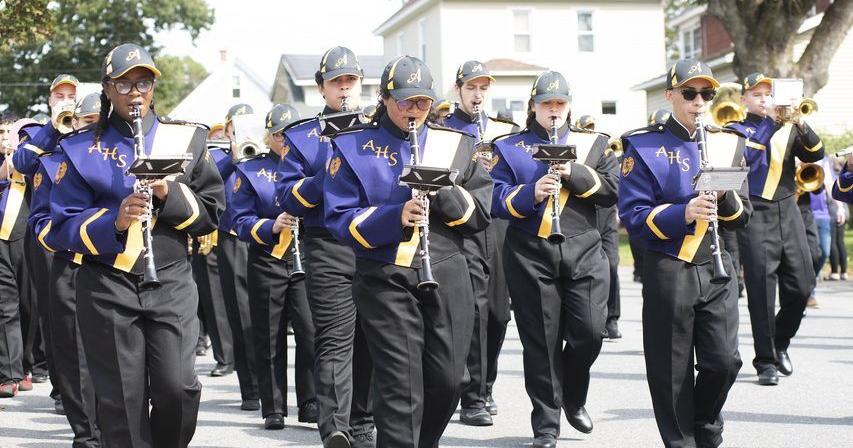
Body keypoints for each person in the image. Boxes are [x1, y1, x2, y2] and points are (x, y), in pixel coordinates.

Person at [47, 43, 224, 447]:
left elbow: (213, 212)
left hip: (172, 278)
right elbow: (55, 225)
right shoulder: (78, 148)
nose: (134, 93)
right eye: (123, 85)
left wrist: (168, 193)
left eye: (142, 83)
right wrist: (116, 219)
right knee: (121, 404)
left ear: (154, 88)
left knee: (178, 388)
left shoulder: (188, 138)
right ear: (107, 90)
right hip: (106, 283)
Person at [325, 55, 492, 448]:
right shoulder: (351, 147)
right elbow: (339, 219)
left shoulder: (456, 144)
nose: (414, 110)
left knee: (450, 382)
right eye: (404, 101)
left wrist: (443, 190)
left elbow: (481, 213)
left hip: (447, 271)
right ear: (385, 99)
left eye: (422, 102)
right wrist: (395, 214)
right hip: (384, 275)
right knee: (403, 388)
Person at [619, 59, 750, 448]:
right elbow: (634, 216)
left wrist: (725, 200)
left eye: (706, 94)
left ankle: (706, 426)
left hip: (717, 261)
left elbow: (743, 215)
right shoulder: (642, 145)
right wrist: (684, 212)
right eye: (690, 93)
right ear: (671, 95)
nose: (699, 101)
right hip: (670, 264)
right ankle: (681, 442)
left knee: (725, 361)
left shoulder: (727, 141)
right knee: (671, 368)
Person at [490, 71, 617, 448]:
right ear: (533, 107)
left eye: (560, 104)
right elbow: (494, 197)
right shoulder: (510, 147)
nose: (554, 111)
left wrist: (574, 172)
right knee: (541, 343)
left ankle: (573, 395)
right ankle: (546, 424)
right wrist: (530, 192)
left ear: (569, 107)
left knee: (590, 332)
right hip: (530, 251)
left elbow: (611, 191)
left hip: (584, 249)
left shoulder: (593, 144)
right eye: (547, 104)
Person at [276, 46, 374, 448]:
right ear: (322, 89)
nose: (345, 88)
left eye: (350, 80)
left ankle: (364, 421)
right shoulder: (301, 137)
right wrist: (330, 173)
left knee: (369, 335)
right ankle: (334, 426)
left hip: (372, 243)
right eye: (336, 82)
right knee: (334, 337)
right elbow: (287, 197)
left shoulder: (377, 130)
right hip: (326, 243)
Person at [727, 72, 825, 385]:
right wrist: (771, 121)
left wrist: (800, 122)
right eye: (756, 95)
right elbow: (750, 161)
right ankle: (766, 361)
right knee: (761, 290)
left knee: (802, 284)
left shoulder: (788, 127)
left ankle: (780, 342)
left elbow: (816, 153)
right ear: (744, 99)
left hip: (788, 208)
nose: (764, 100)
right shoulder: (734, 130)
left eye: (768, 95)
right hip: (756, 211)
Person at [442, 60, 518, 426]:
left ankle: (486, 385)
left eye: (483, 88)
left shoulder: (504, 131)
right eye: (471, 87)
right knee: (474, 311)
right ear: (458, 89)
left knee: (499, 315)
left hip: (500, 226)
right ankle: (471, 396)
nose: (478, 94)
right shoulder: (443, 129)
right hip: (465, 224)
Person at [232, 104, 317, 430]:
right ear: (270, 136)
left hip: (304, 259)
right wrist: (272, 225)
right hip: (268, 260)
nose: (285, 140)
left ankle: (309, 400)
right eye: (280, 134)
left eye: (290, 133)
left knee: (311, 333)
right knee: (269, 336)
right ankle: (274, 407)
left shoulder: (309, 166)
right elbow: (240, 221)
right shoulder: (251, 170)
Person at [25, 93, 102, 446]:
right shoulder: (53, 159)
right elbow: (40, 219)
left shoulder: (121, 155)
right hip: (70, 262)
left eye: (97, 121)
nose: (91, 128)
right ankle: (86, 432)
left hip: (114, 266)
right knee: (73, 352)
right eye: (85, 121)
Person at [213, 103, 261, 411]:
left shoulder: (262, 150)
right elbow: (211, 177)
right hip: (232, 237)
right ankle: (251, 389)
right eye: (236, 124)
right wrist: (233, 157)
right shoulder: (218, 154)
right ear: (229, 127)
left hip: (262, 236)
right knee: (240, 314)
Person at [0, 113, 30, 399]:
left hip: (26, 238)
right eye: (0, 132)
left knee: (30, 304)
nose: (4, 137)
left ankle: (29, 364)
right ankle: (10, 374)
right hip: (1, 240)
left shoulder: (30, 156)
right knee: (6, 304)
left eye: (9, 132)